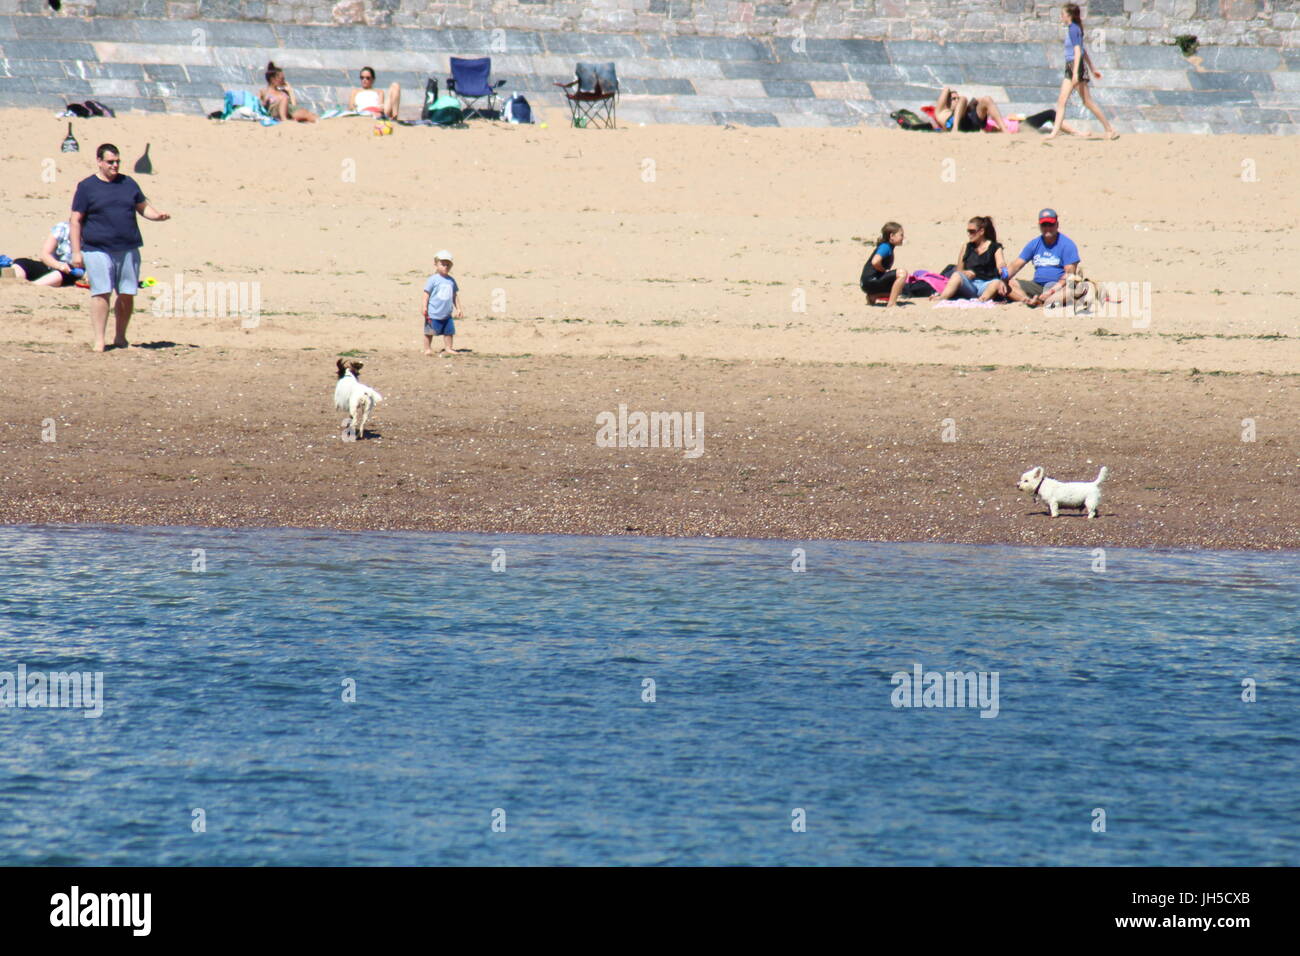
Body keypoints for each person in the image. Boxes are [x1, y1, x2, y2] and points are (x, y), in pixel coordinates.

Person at [69, 143, 170, 351]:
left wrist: (157, 216)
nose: (115, 165)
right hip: (97, 248)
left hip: (127, 248)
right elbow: (76, 219)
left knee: (126, 293)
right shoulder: (87, 187)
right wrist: (76, 252)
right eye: (110, 162)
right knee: (101, 292)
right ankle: (99, 340)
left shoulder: (128, 183)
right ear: (99, 162)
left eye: (117, 162)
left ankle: (120, 337)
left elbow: (143, 208)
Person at [1045, 4, 1118, 141]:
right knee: (1061, 100)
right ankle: (1054, 133)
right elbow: (1083, 50)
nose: (1061, 16)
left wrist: (1076, 73)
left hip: (1075, 67)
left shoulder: (1074, 29)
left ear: (1069, 15)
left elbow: (1078, 51)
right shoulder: (1073, 29)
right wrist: (1093, 68)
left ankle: (1110, 129)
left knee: (1087, 102)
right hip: (1071, 66)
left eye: (1063, 14)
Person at [1002, 208, 1081, 308]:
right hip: (1038, 286)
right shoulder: (1035, 244)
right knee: (1009, 284)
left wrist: (1052, 291)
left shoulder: (1067, 245)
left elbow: (1069, 275)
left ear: (1057, 225)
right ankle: (1028, 300)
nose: (1047, 228)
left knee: (1072, 290)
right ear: (1039, 226)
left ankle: (1044, 302)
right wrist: (1003, 279)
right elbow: (1016, 265)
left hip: (1059, 287)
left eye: (1051, 224)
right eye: (1044, 225)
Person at [937, 216, 1007, 301]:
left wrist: (1001, 268)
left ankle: (982, 300)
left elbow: (1001, 263)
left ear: (981, 231)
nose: (969, 234)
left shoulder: (995, 247)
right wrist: (966, 273)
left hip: (987, 284)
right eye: (968, 231)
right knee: (956, 275)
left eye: (972, 231)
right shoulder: (966, 247)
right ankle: (942, 297)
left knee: (996, 282)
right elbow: (959, 270)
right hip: (970, 284)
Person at [0, 221, 81, 286]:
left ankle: (32, 286)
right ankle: (15, 281)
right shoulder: (63, 228)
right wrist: (59, 265)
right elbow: (45, 255)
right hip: (52, 266)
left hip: (71, 273)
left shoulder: (91, 235)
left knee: (62, 274)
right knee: (22, 262)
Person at [422, 250, 462, 354]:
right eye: (442, 264)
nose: (445, 267)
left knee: (449, 332)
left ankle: (448, 348)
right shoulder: (433, 279)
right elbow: (426, 294)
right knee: (429, 332)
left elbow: (454, 296)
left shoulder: (451, 281)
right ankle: (427, 348)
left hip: (447, 314)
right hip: (433, 312)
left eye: (448, 265)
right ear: (436, 264)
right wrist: (424, 307)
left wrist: (458, 308)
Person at [859, 222, 908, 308]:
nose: (903, 238)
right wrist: (883, 271)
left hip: (866, 283)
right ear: (892, 236)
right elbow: (875, 262)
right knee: (902, 273)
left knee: (898, 289)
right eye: (901, 235)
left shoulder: (888, 247)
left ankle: (873, 296)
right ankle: (892, 303)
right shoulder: (886, 247)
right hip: (870, 280)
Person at [929, 86, 1011, 133]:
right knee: (964, 98)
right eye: (954, 99)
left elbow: (969, 104)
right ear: (947, 102)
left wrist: (974, 103)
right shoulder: (941, 112)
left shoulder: (963, 109)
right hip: (954, 126)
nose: (957, 100)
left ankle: (1004, 130)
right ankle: (955, 128)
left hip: (970, 124)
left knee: (987, 99)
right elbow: (946, 89)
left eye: (958, 98)